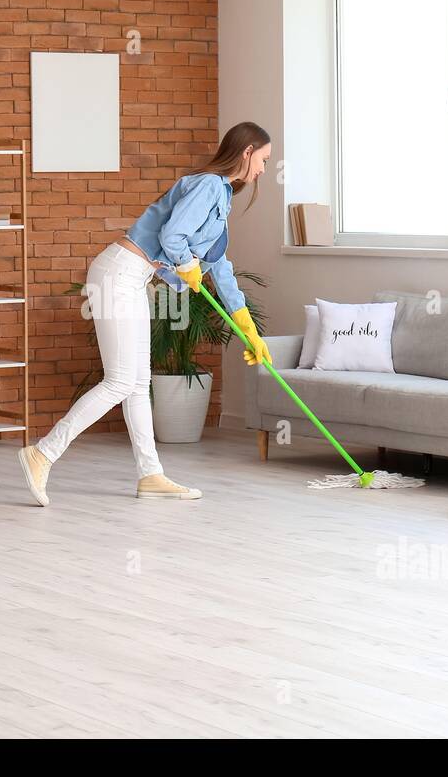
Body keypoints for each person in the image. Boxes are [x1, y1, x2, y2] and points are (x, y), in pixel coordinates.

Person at [17, 122, 273, 506]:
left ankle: (150, 474)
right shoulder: (207, 185)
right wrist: (186, 262)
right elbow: (173, 237)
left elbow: (220, 266)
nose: (263, 171)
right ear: (247, 151)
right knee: (120, 381)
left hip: (132, 277)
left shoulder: (220, 196)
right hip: (118, 272)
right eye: (264, 160)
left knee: (138, 383)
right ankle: (42, 453)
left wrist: (248, 330)